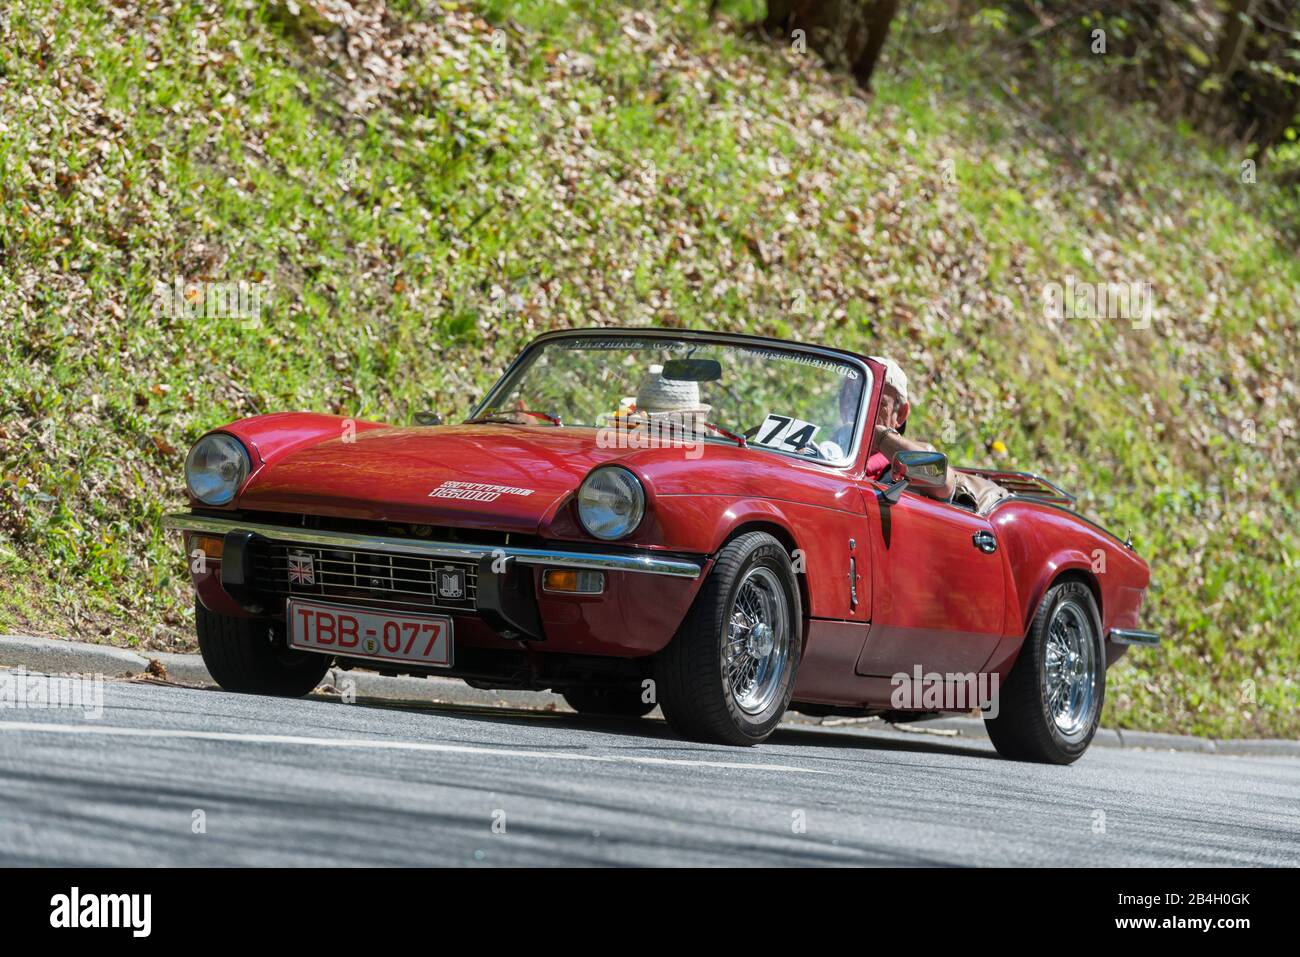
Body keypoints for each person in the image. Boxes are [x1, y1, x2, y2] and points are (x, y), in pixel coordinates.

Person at [866, 356, 1009, 511]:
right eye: (855, 396)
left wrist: (880, 436)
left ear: (900, 414)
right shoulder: (838, 452)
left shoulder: (911, 458)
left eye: (879, 404)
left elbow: (943, 483)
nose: (864, 409)